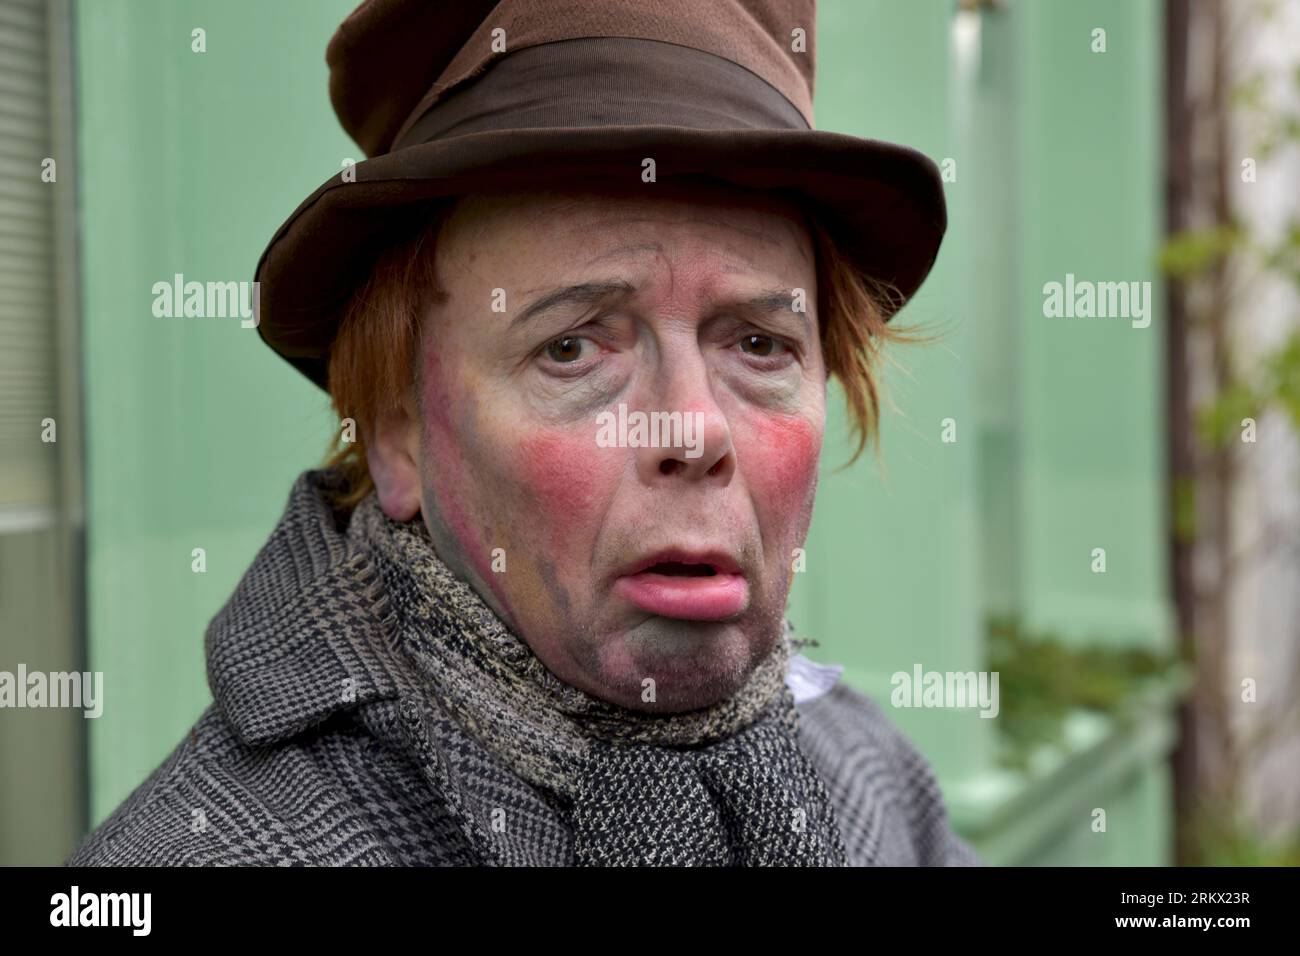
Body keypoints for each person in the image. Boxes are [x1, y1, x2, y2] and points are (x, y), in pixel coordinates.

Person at [68, 0, 979, 866]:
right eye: (573, 347)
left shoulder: (869, 776)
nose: (694, 431)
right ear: (398, 438)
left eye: (757, 342)